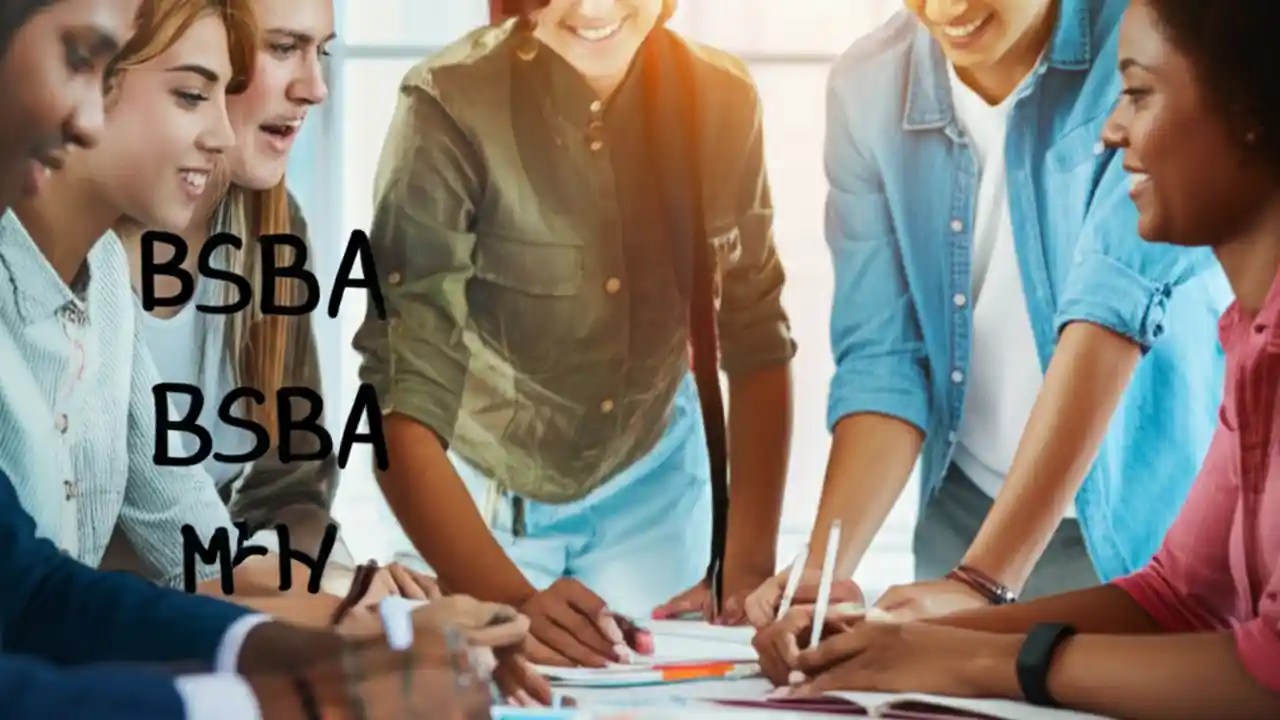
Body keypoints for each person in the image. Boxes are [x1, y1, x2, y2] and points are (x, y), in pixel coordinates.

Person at [754, 1, 1280, 717]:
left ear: (1253, 108)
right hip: (978, 509)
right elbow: (1179, 596)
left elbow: (1109, 308)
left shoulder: (1158, 29)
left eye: (1138, 97)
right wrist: (872, 617)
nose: (1112, 129)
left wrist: (976, 618)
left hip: (1122, 508)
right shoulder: (1248, 345)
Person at [354, 0, 796, 666]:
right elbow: (399, 397)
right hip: (477, 499)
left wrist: (745, 563)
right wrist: (510, 601)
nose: (591, 8)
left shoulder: (723, 99)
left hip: (655, 488)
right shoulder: (445, 104)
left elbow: (756, 336)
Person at [103, 0, 440, 605]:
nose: (316, 88)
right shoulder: (82, 257)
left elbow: (290, 491)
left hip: (219, 604)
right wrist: (304, 594)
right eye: (283, 49)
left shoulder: (273, 234)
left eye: (323, 52)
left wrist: (339, 585)